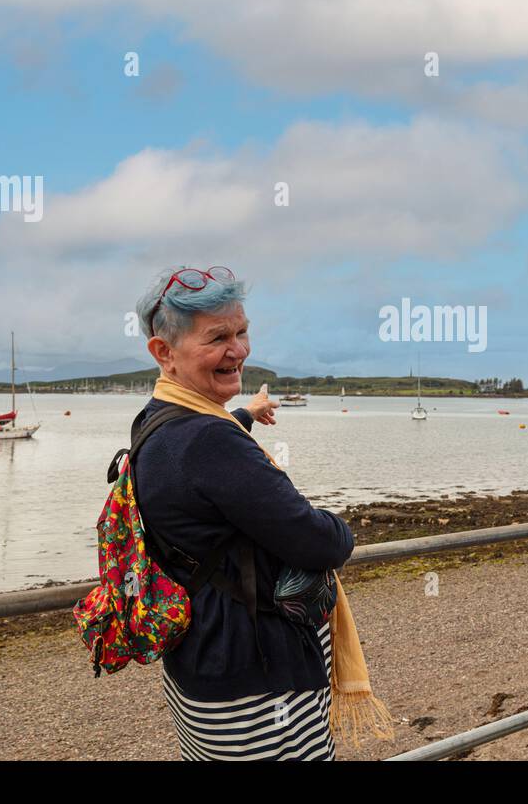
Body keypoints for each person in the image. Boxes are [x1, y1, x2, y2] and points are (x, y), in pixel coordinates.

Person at [132, 265, 391, 760]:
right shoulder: (209, 440)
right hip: (258, 679)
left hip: (202, 661)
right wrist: (338, 524)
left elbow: (204, 465)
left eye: (242, 331)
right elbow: (320, 543)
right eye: (218, 338)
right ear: (164, 352)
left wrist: (246, 415)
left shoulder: (156, 422)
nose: (240, 350)